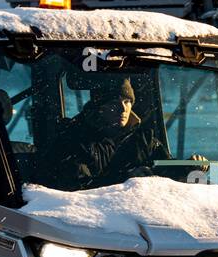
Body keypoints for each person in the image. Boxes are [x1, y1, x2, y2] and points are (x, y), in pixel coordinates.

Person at [40, 78, 169, 189]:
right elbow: (78, 193)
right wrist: (127, 181)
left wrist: (185, 168)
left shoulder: (145, 139)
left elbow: (167, 170)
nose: (123, 109)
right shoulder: (74, 141)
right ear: (99, 107)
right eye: (114, 103)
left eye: (127, 101)